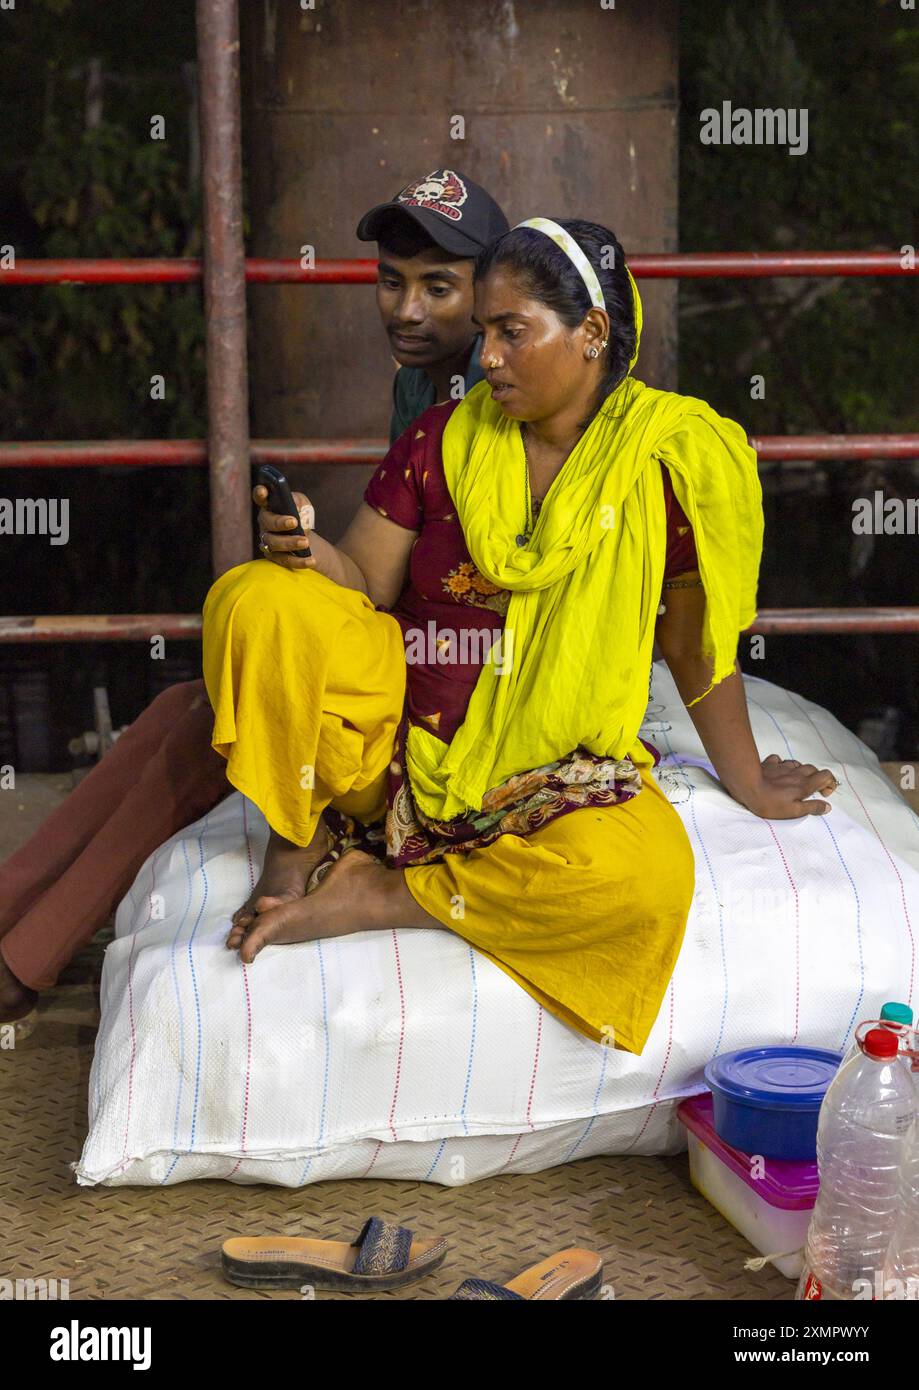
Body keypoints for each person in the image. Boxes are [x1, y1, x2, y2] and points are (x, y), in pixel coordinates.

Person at [204, 217, 839, 1055]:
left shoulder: (665, 463)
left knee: (643, 883)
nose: (488, 357)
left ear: (591, 334)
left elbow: (693, 648)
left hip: (549, 778)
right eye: (484, 334)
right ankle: (300, 837)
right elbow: (362, 583)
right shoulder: (443, 439)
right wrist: (305, 553)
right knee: (256, 598)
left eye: (511, 333)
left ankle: (378, 894)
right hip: (393, 748)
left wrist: (749, 779)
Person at [0, 168, 509, 1024]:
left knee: (200, 724)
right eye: (391, 281)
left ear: (491, 295)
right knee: (181, 706)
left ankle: (24, 961)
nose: (407, 310)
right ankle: (16, 917)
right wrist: (310, 551)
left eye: (438, 287)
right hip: (392, 648)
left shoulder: (505, 400)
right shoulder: (417, 387)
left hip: (447, 701)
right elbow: (382, 573)